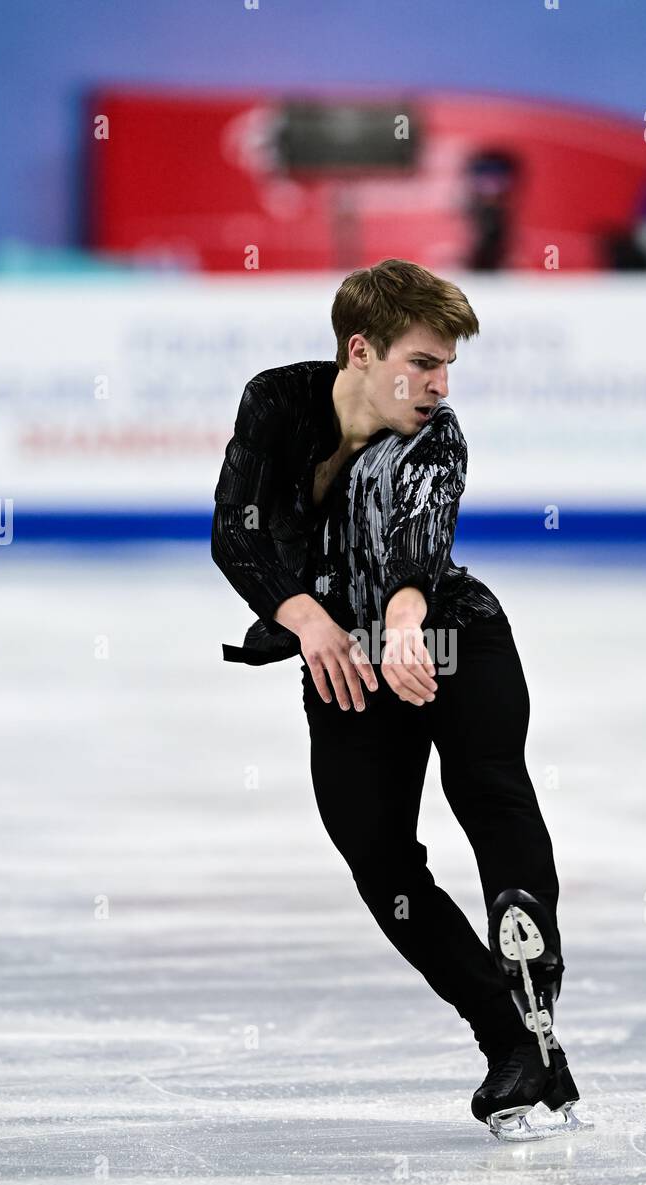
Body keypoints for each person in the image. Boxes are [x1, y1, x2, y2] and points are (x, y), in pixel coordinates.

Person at [211, 258, 580, 1135]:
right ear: (361, 352)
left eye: (447, 366)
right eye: (422, 363)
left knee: (489, 785)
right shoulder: (278, 401)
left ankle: (527, 937)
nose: (440, 385)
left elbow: (419, 536)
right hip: (347, 657)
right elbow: (236, 530)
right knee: (375, 853)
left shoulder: (437, 437)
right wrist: (311, 624)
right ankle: (513, 1037)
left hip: (453, 637)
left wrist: (406, 621)